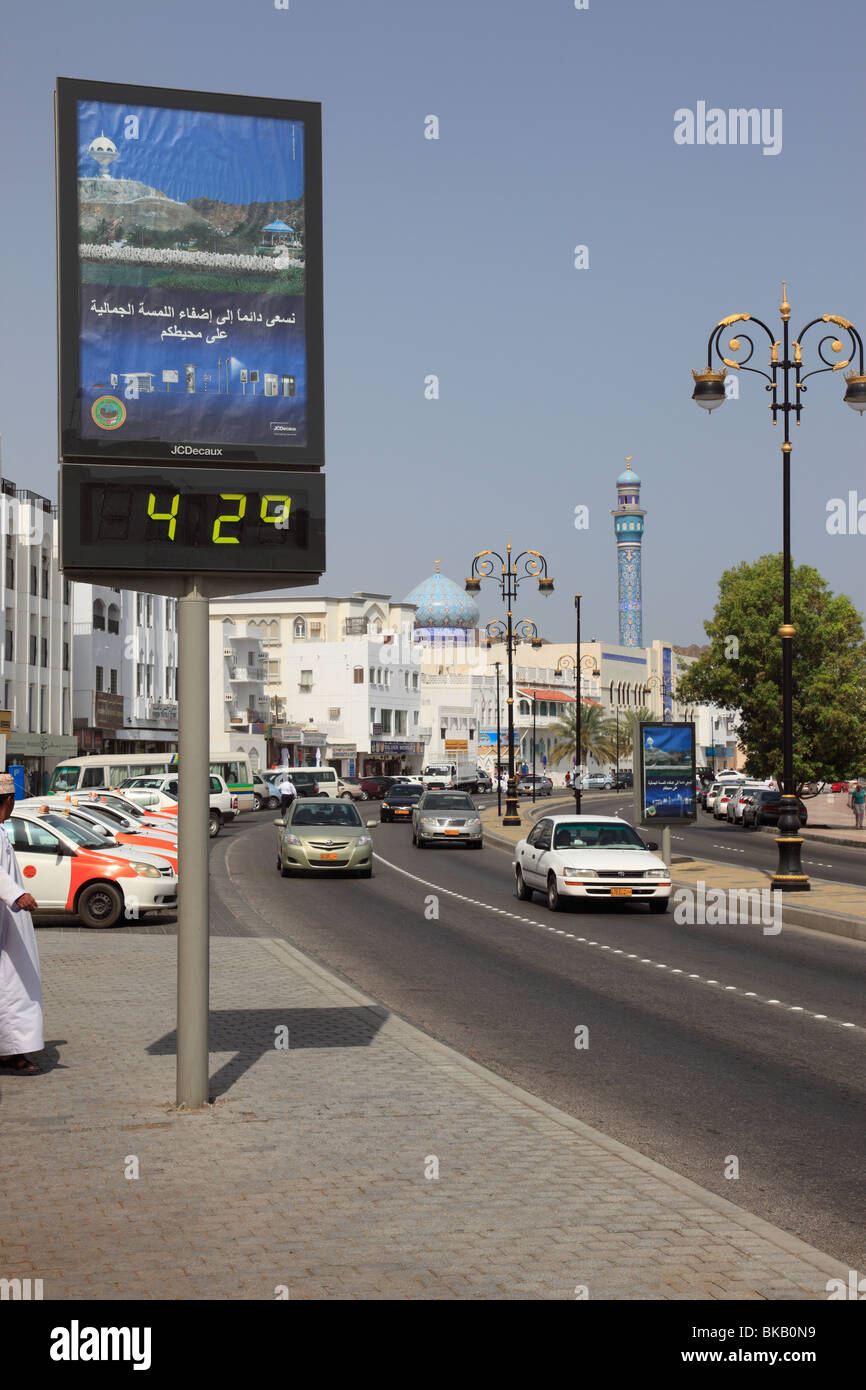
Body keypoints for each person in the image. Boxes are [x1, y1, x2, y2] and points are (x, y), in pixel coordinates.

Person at [0, 773, 43, 1074]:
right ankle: (14, 1051)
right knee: (14, 985)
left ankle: (12, 1049)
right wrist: (17, 894)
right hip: (7, 917)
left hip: (8, 921)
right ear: (11, 801)